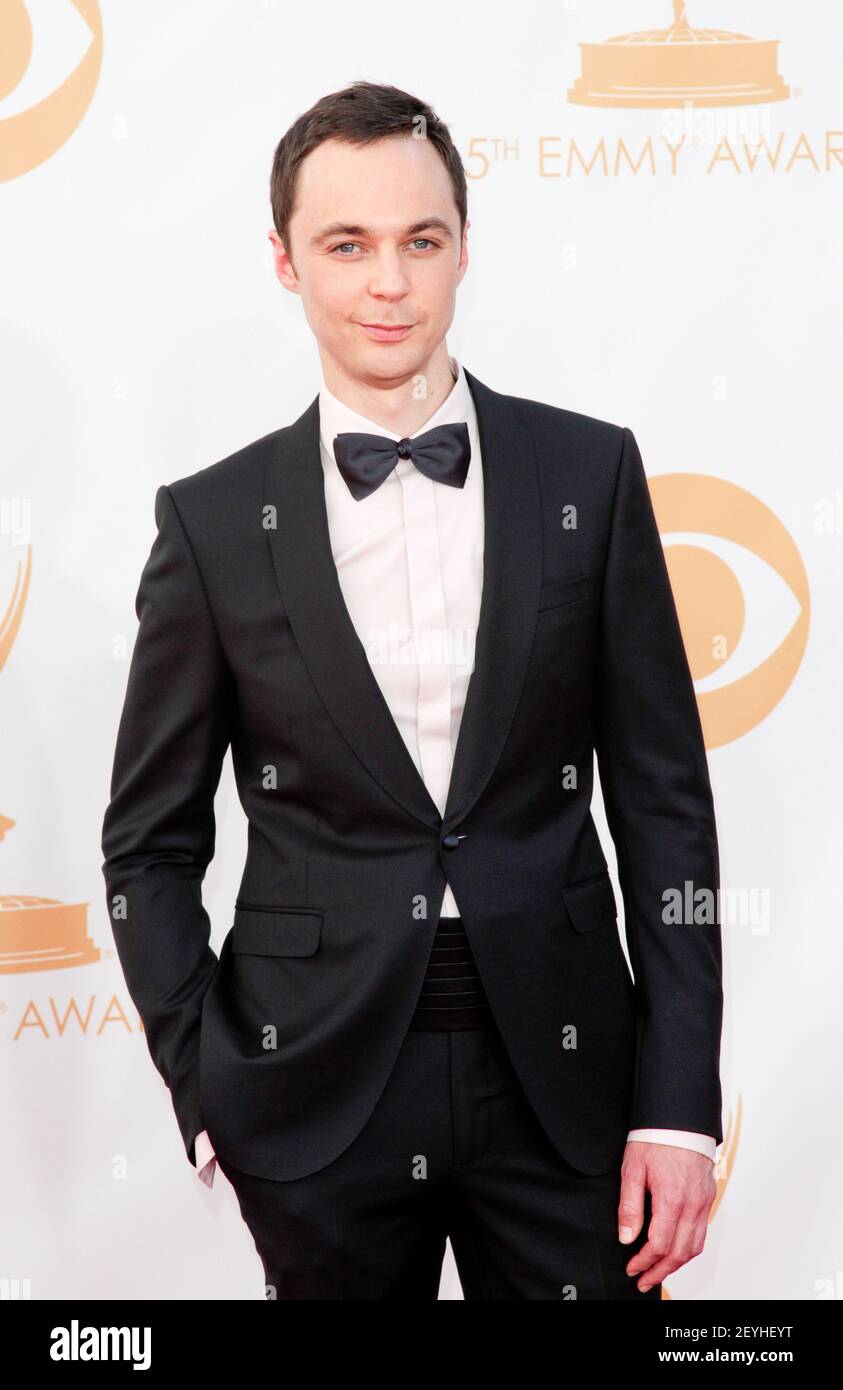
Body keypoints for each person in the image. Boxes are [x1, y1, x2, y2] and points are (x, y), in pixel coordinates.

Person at [101, 81, 723, 1300]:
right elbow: (147, 848)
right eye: (347, 244)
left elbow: (666, 809)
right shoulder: (214, 523)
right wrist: (207, 1078)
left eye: (419, 241)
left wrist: (682, 1106)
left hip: (567, 1086)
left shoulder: (589, 474)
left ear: (463, 250)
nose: (389, 281)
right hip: (316, 1092)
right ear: (284, 262)